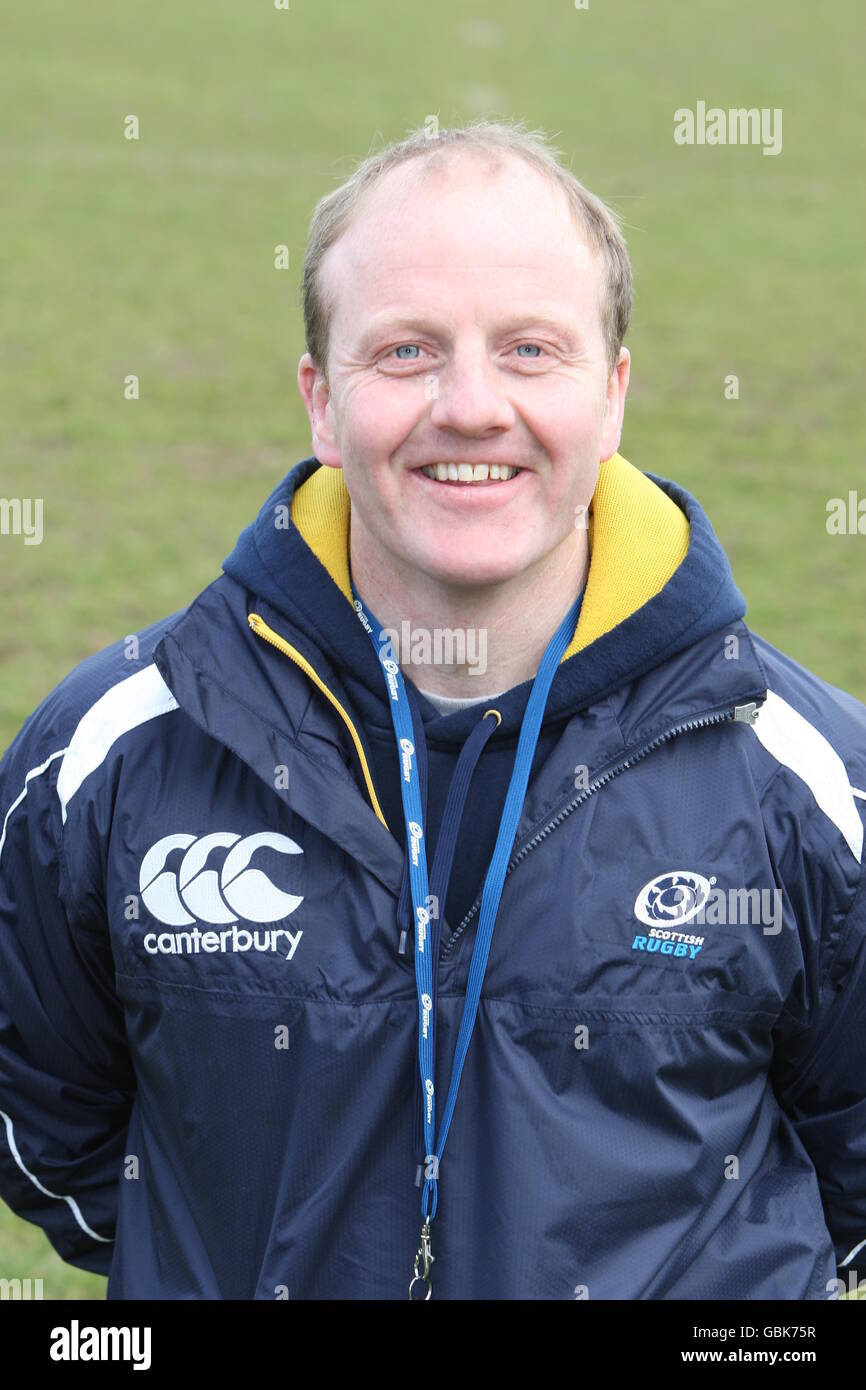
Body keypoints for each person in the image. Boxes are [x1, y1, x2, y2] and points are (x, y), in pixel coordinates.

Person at [1, 119, 865, 1301]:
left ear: (611, 395)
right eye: (405, 351)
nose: (469, 407)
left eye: (528, 350)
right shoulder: (111, 756)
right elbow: (48, 1130)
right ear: (318, 400)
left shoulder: (806, 786)